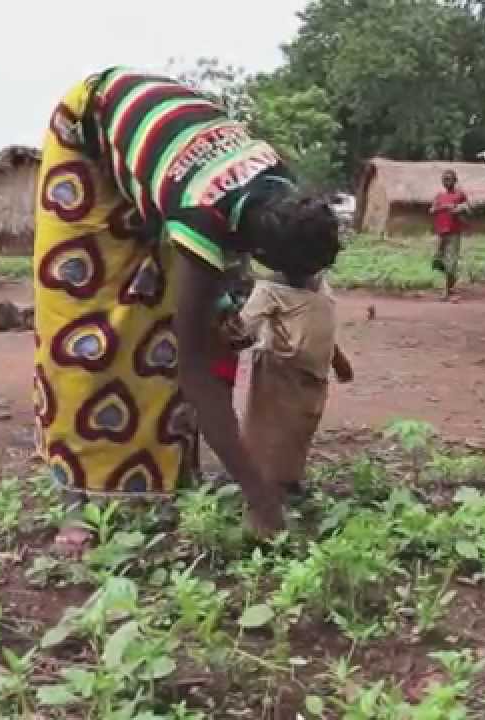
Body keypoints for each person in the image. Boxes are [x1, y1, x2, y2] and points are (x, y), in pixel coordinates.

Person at [32, 69, 341, 553]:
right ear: (255, 250)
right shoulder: (201, 214)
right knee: (86, 324)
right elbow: (194, 373)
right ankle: (78, 498)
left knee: (180, 316)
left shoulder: (282, 185)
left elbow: (295, 281)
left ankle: (163, 479)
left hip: (174, 148)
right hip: (89, 126)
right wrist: (261, 499)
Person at [240, 270, 353, 498]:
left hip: (313, 373)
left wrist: (337, 358)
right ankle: (267, 486)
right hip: (279, 369)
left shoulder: (320, 283)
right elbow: (243, 329)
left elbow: (323, 322)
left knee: (300, 429)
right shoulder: (270, 289)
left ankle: (288, 479)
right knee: (272, 431)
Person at [428, 169, 470, 301]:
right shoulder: (439, 196)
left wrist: (458, 209)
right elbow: (431, 210)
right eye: (444, 179)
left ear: (455, 180)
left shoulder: (460, 195)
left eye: (449, 179)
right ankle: (450, 285)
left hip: (454, 233)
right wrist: (445, 207)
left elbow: (468, 208)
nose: (446, 181)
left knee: (451, 262)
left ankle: (446, 290)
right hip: (441, 232)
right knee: (438, 260)